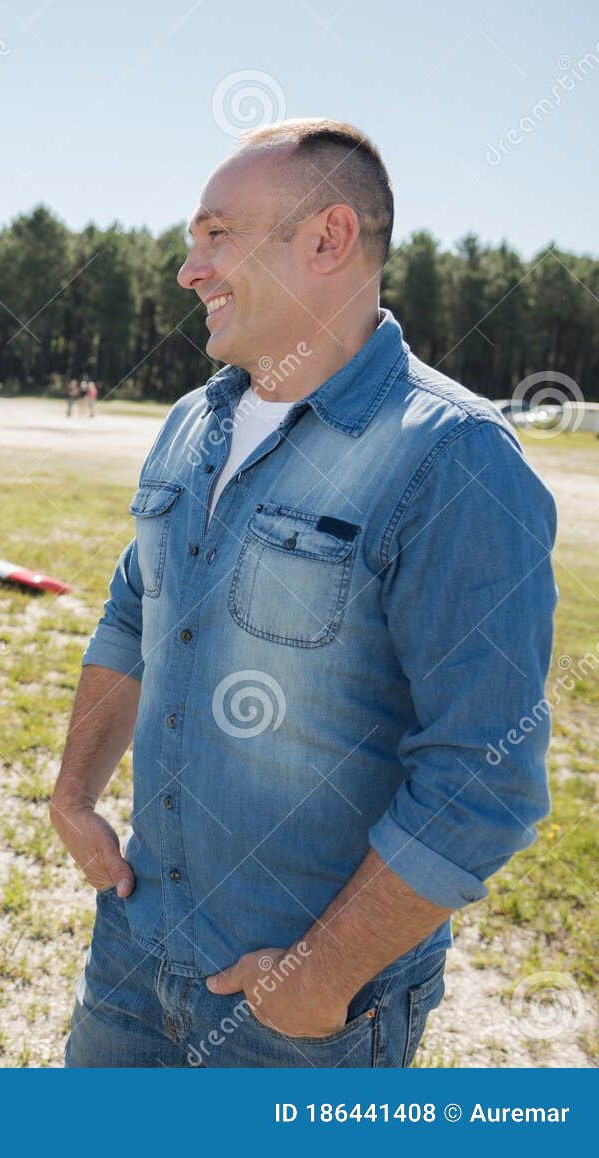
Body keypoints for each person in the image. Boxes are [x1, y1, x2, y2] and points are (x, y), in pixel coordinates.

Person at [51, 119, 557, 1067]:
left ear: (328, 239)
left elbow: (483, 776)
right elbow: (133, 612)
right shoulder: (191, 422)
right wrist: (74, 793)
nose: (188, 270)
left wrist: (320, 979)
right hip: (133, 943)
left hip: (302, 1014)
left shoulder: (454, 456)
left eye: (217, 235)